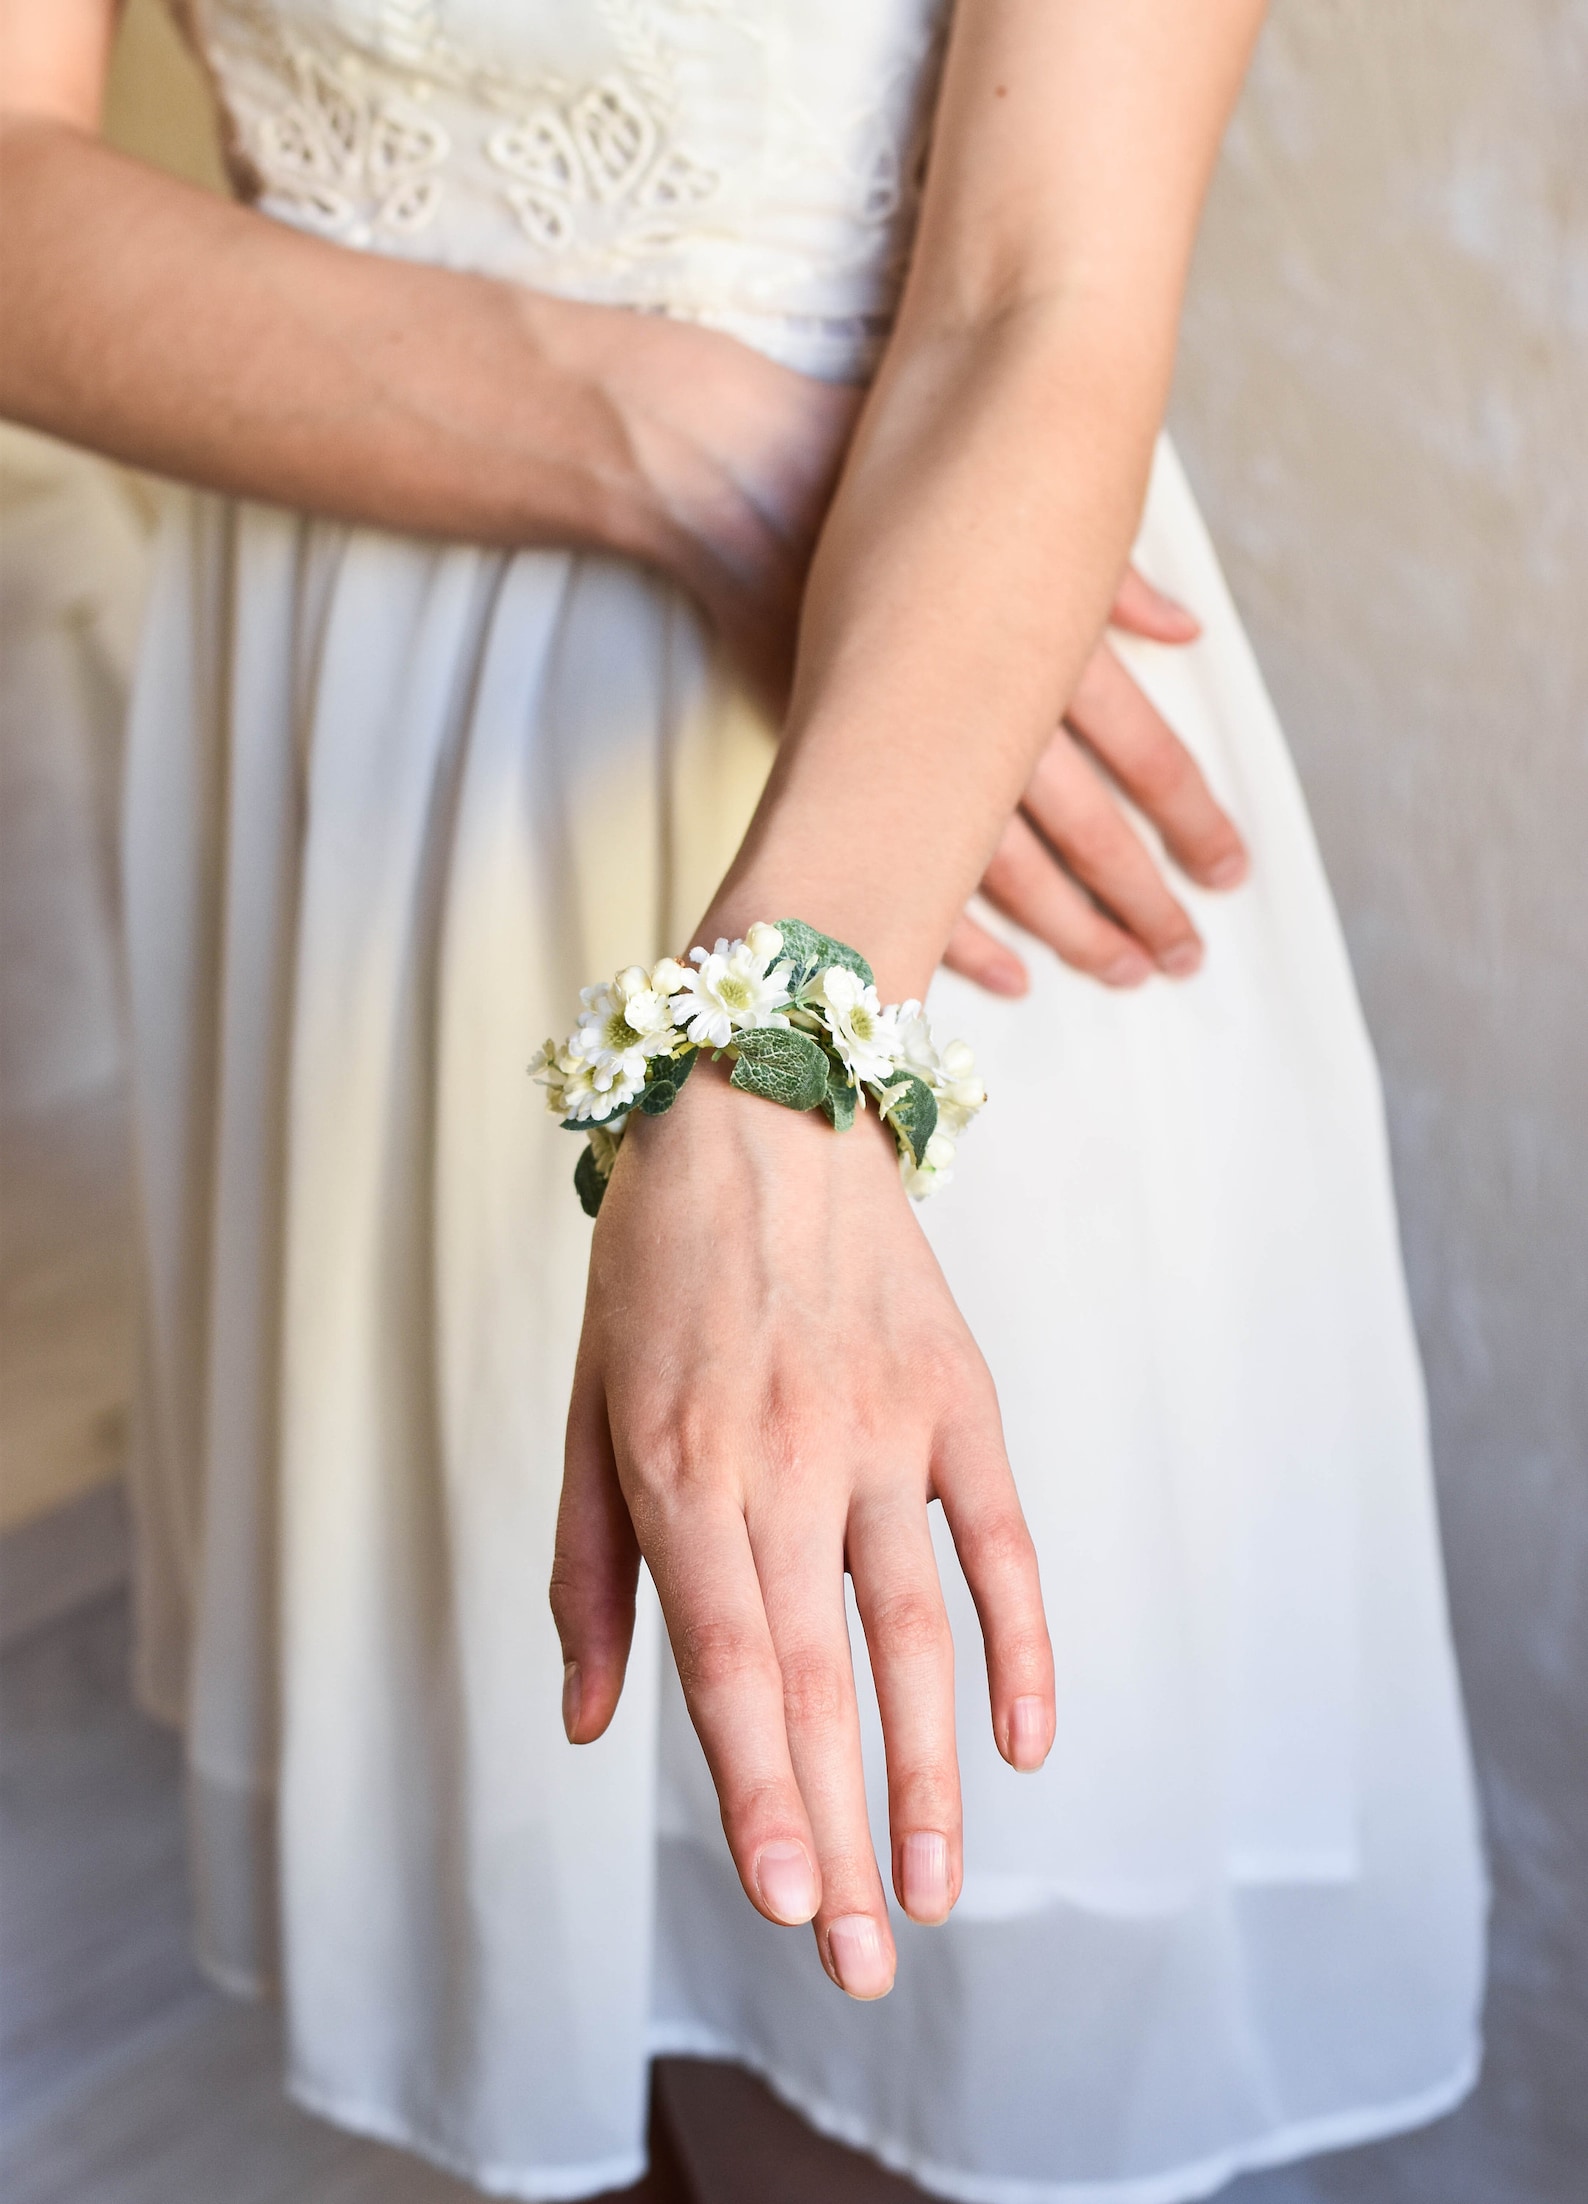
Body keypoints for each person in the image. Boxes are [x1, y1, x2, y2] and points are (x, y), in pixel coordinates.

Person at [0, 2, 1485, 2197]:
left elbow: (1043, 294)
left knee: (900, 1964)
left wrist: (782, 1046)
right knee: (545, 1908)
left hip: (919, 768)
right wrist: (651, 429)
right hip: (364, 776)